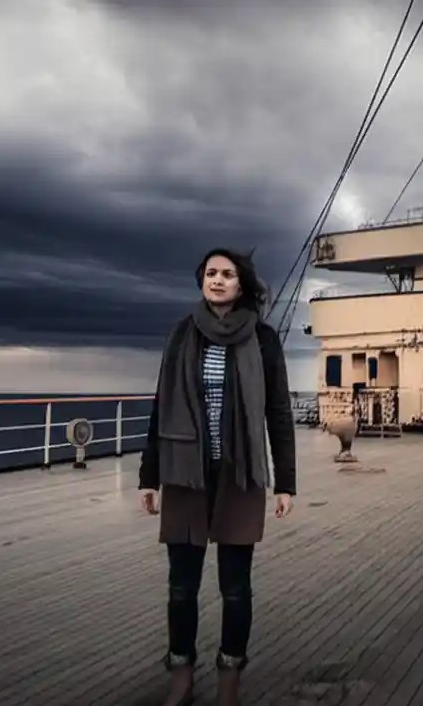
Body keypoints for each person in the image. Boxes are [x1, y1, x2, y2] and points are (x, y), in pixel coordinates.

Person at [138, 248, 297, 706]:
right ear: (201, 281)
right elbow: (160, 407)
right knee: (181, 587)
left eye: (228, 274)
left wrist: (285, 482)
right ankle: (181, 675)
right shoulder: (182, 336)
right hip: (185, 473)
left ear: (241, 284)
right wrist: (149, 476)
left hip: (239, 472)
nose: (219, 280)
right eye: (211, 273)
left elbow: (279, 413)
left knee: (235, 588)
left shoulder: (263, 340)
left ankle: (229, 675)